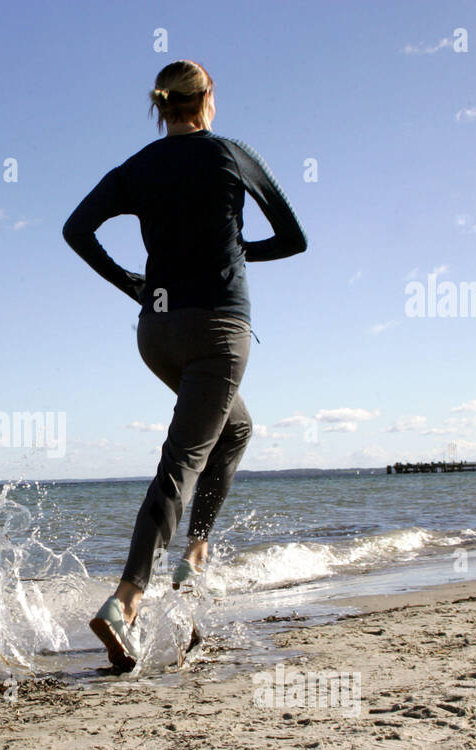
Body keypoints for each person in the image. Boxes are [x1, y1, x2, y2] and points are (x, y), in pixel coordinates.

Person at [62, 59, 308, 671]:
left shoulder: (139, 167)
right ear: (209, 100)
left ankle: (191, 564)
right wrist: (236, 249)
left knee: (237, 429)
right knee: (182, 461)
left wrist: (133, 285)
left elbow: (76, 229)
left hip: (156, 330)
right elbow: (295, 237)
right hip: (218, 330)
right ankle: (127, 601)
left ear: (161, 107)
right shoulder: (230, 155)